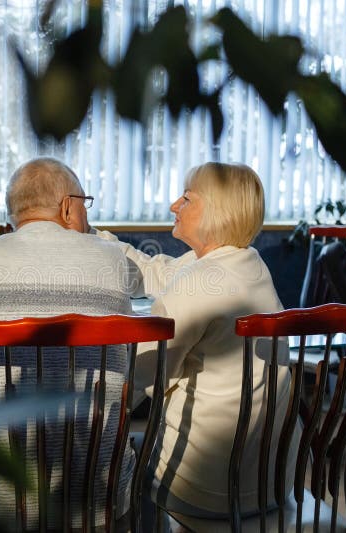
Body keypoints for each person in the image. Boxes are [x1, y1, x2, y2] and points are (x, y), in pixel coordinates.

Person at [0, 157, 136, 529]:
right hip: (94, 497)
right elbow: (124, 359)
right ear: (69, 207)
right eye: (85, 203)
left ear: (13, 214)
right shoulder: (111, 258)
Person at [96, 162, 294, 523]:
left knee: (104, 468)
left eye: (186, 198)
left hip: (205, 487)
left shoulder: (199, 283)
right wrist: (96, 241)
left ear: (218, 211)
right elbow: (158, 271)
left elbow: (135, 381)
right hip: (267, 482)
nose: (174, 205)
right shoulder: (248, 264)